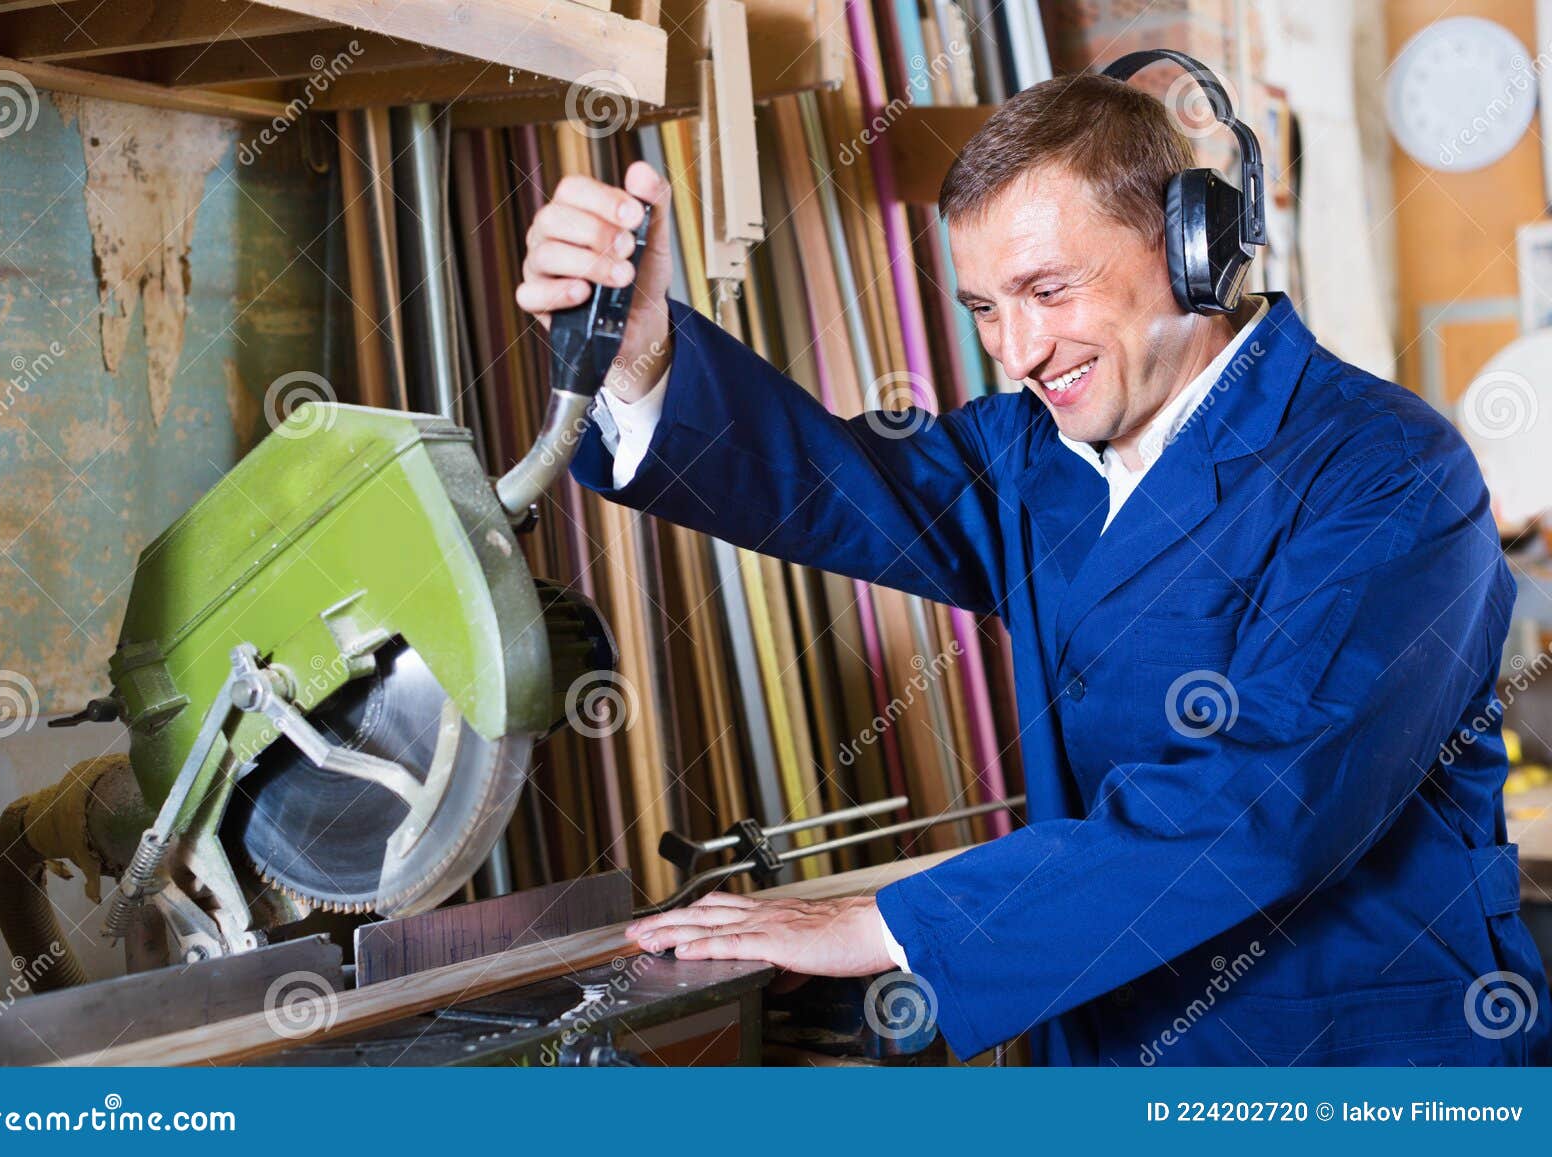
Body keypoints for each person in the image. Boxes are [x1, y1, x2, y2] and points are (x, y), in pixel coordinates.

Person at [514, 64, 1551, 1065]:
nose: (1015, 350)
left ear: (1190, 244)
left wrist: (891, 924)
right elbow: (827, 484)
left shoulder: (1386, 468)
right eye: (982, 308)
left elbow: (1263, 802)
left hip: (1341, 1061)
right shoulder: (1031, 453)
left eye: (1047, 290)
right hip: (1104, 1042)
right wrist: (643, 354)